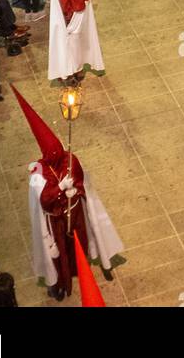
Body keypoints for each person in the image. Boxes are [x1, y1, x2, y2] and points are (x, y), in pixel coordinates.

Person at [14, 87, 123, 301]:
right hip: (57, 222)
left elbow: (83, 180)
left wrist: (76, 188)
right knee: (61, 253)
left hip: (76, 213)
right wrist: (60, 188)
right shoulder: (38, 174)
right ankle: (60, 283)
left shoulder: (70, 160)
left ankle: (83, 268)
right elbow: (44, 201)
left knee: (79, 243)